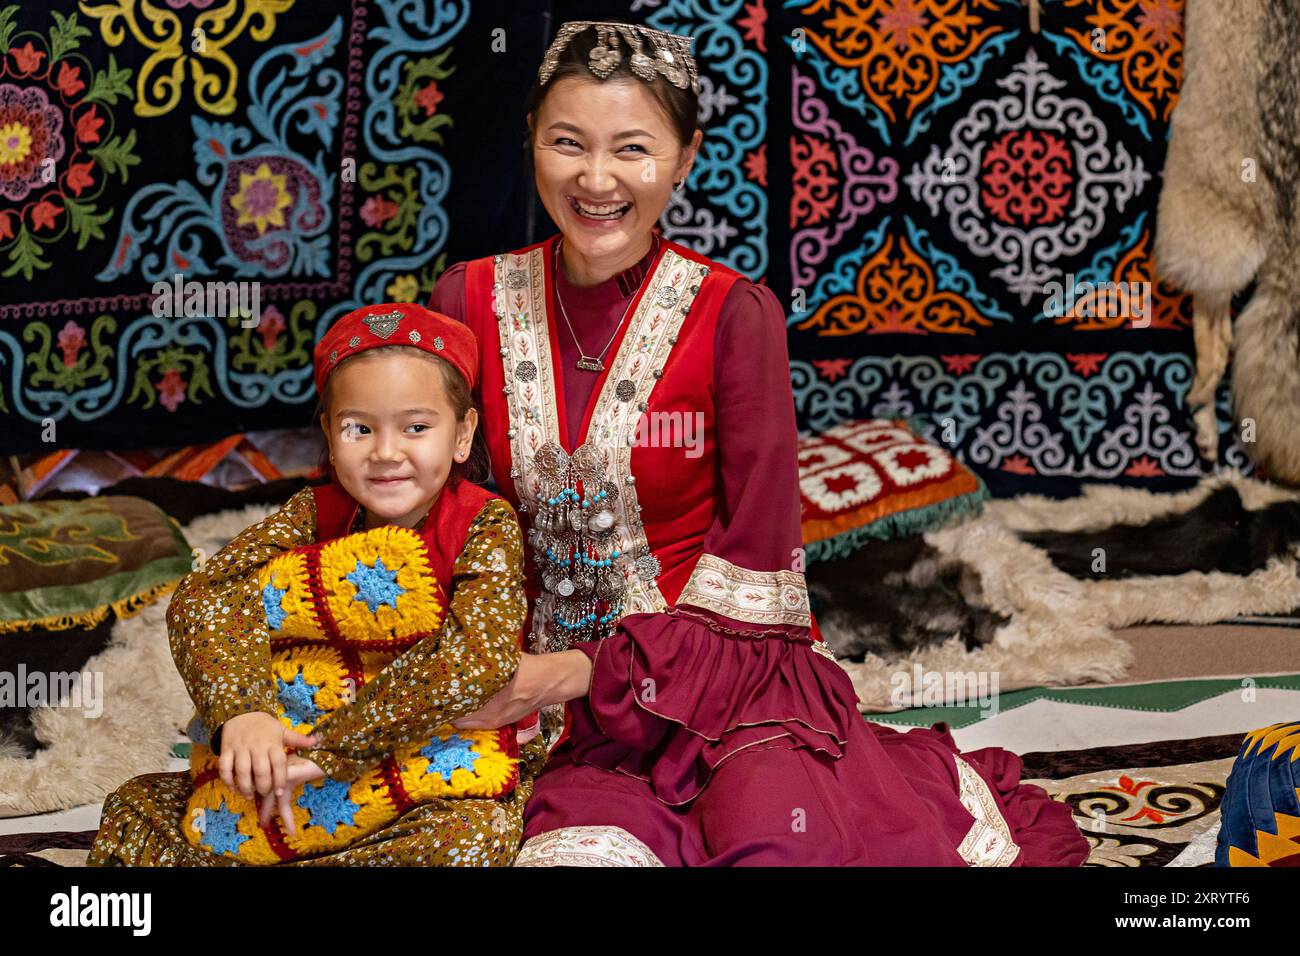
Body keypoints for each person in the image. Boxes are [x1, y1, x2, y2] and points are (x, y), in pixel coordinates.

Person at [430, 19, 1091, 865]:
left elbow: (755, 573)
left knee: (779, 847)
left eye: (633, 149)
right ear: (532, 140)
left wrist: (581, 674)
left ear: (686, 156)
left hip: (722, 690)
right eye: (568, 143)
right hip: (517, 693)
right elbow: (438, 510)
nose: (596, 179)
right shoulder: (468, 300)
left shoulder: (735, 317)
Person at [88, 304, 544, 866]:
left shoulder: (483, 524)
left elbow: (475, 660)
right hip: (301, 750)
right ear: (330, 436)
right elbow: (208, 594)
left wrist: (339, 747)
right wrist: (244, 714)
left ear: (463, 433)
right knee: (134, 810)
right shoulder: (311, 512)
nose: (385, 452)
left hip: (429, 756)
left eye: (416, 427)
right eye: (359, 428)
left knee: (475, 836)